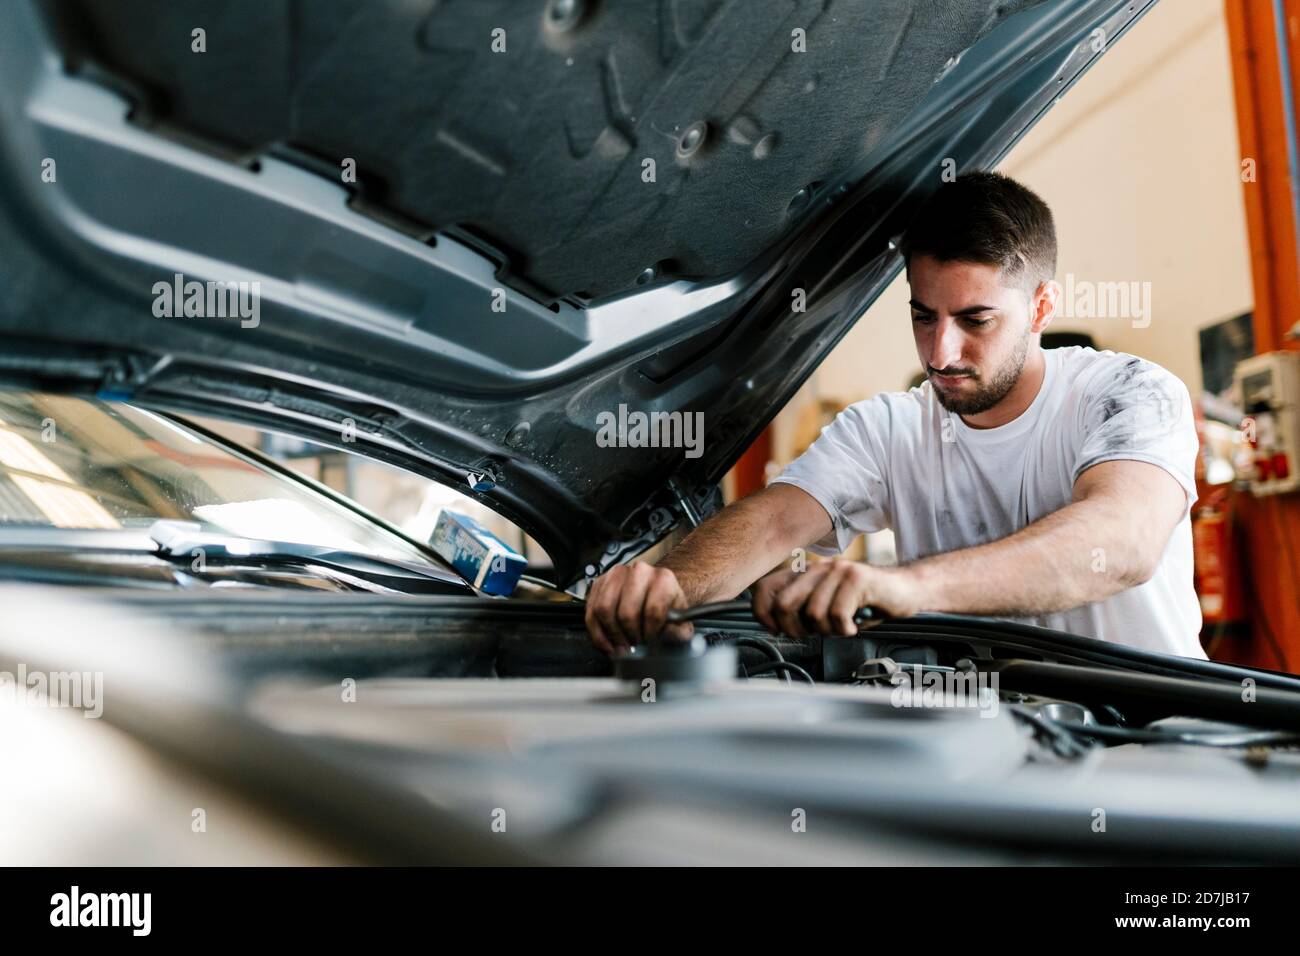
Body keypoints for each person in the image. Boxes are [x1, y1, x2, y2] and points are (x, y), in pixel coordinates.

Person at [584, 171, 1205, 660]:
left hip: (1148, 746)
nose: (941, 352)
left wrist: (909, 589)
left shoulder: (1132, 394)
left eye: (975, 320)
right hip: (989, 756)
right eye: (923, 315)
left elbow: (1120, 540)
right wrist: (670, 585)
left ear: (1041, 307)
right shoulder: (888, 430)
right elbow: (771, 523)